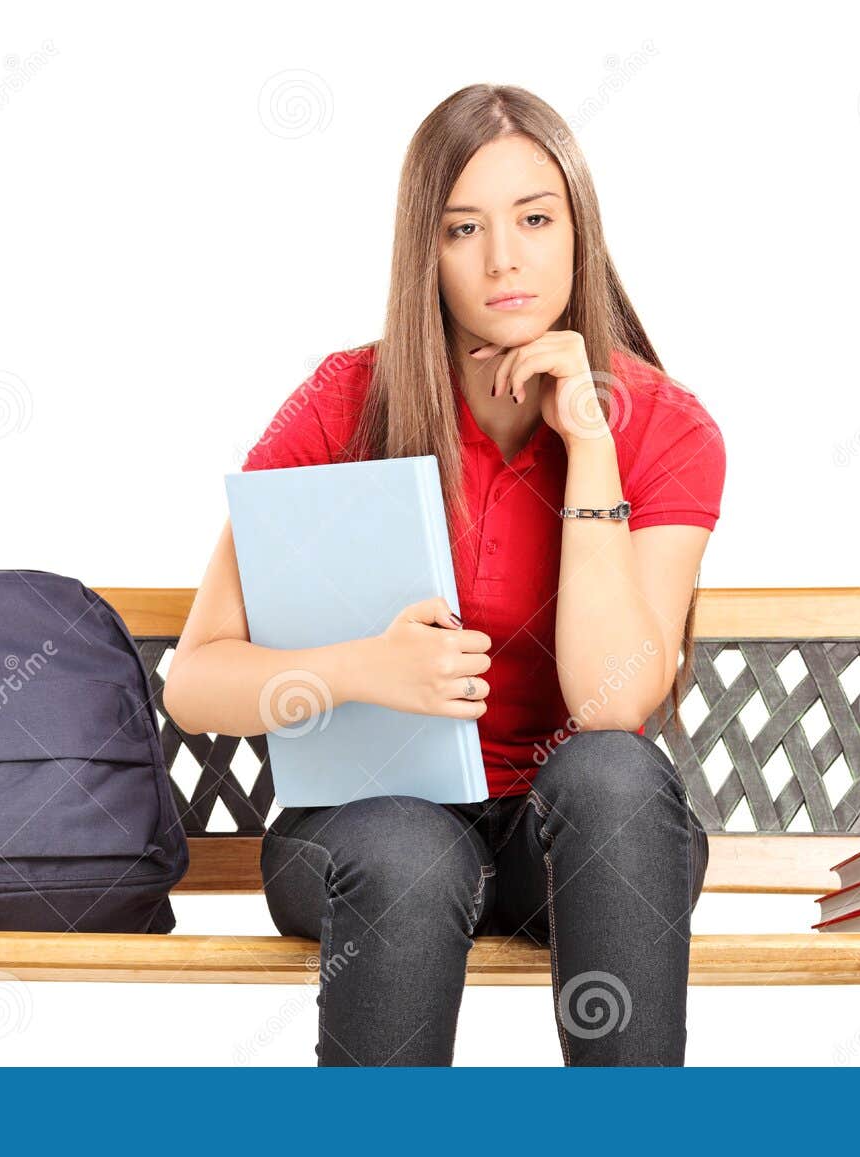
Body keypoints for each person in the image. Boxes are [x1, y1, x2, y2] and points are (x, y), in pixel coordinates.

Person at [163, 83, 726, 1066]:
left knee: (615, 771)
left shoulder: (663, 426)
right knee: (411, 849)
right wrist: (364, 669)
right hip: (362, 833)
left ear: (577, 233)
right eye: (463, 227)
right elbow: (196, 679)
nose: (503, 257)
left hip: (567, 853)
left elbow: (614, 701)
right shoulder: (344, 404)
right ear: (424, 252)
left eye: (534, 219)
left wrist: (588, 447)